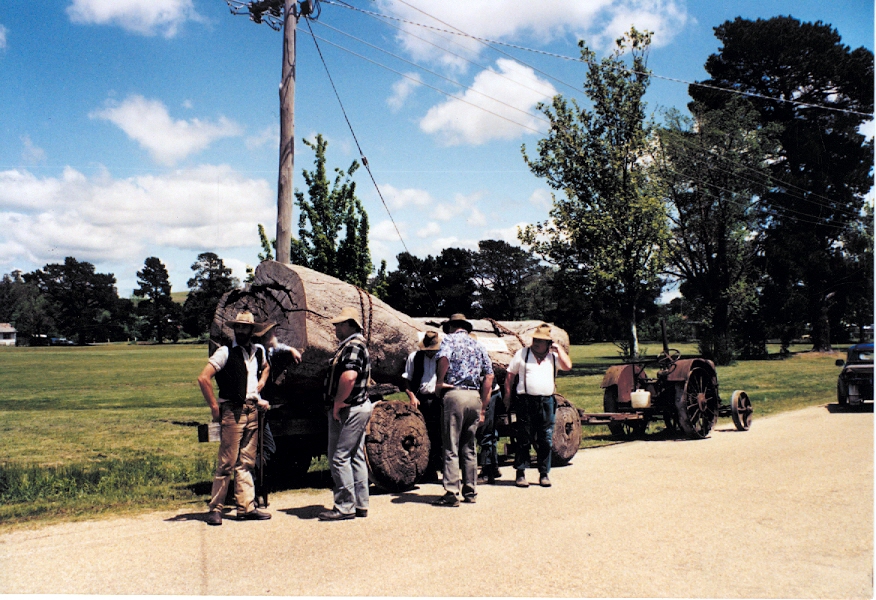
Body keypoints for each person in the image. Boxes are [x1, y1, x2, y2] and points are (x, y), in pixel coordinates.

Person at [197, 310, 272, 525]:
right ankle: (216, 509)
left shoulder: (258, 351)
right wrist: (214, 407)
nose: (241, 330)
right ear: (234, 329)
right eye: (237, 327)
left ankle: (246, 507)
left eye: (245, 327)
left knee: (246, 462)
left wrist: (262, 382)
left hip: (252, 410)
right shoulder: (225, 352)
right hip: (233, 411)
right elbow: (203, 378)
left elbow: (266, 368)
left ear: (251, 330)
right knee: (226, 463)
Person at [433, 314, 494, 506]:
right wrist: (483, 405)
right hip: (474, 396)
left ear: (451, 327)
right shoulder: (478, 345)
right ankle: (470, 490)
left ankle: (451, 492)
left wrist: (440, 381)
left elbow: (443, 358)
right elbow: (489, 376)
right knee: (469, 446)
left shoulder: (449, 340)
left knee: (451, 445)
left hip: (455, 394)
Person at [319, 307, 373, 521]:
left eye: (339, 324)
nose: (336, 328)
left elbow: (349, 377)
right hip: (358, 406)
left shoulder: (352, 347)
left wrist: (338, 402)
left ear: (350, 325)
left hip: (350, 408)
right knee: (356, 455)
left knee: (339, 457)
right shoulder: (355, 345)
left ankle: (344, 506)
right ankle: (360, 504)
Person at [504, 323, 572, 488]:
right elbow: (509, 376)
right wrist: (507, 398)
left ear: (549, 344)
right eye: (535, 339)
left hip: (547, 402)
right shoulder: (522, 354)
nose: (536, 342)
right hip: (526, 401)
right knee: (524, 438)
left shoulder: (553, 358)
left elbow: (568, 366)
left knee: (545, 439)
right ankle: (520, 473)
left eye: (541, 340)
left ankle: (544, 473)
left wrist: (559, 349)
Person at [401, 330, 443, 479]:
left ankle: (440, 466)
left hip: (439, 400)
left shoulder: (442, 357)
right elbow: (406, 379)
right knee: (422, 435)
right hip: (421, 400)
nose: (430, 353)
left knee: (439, 434)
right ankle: (426, 470)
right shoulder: (415, 357)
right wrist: (412, 396)